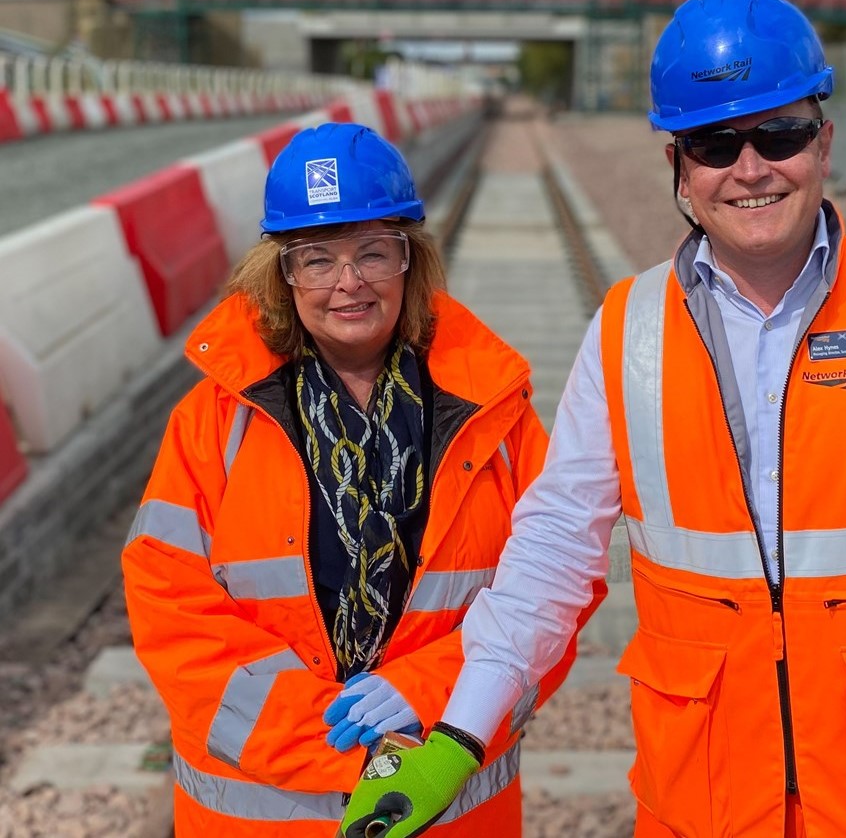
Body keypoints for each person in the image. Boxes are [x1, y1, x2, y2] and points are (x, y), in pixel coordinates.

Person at [334, 0, 846, 837]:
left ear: (824, 142)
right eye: (716, 144)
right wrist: (458, 736)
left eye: (781, 134)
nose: (751, 168)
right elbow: (553, 548)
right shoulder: (628, 330)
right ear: (680, 168)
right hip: (711, 799)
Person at [121, 122, 603, 837]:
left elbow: (557, 591)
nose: (348, 283)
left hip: (444, 808)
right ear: (281, 275)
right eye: (316, 259)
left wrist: (427, 692)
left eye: (373, 252)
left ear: (411, 261)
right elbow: (171, 612)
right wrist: (345, 749)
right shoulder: (212, 424)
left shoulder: (494, 416)